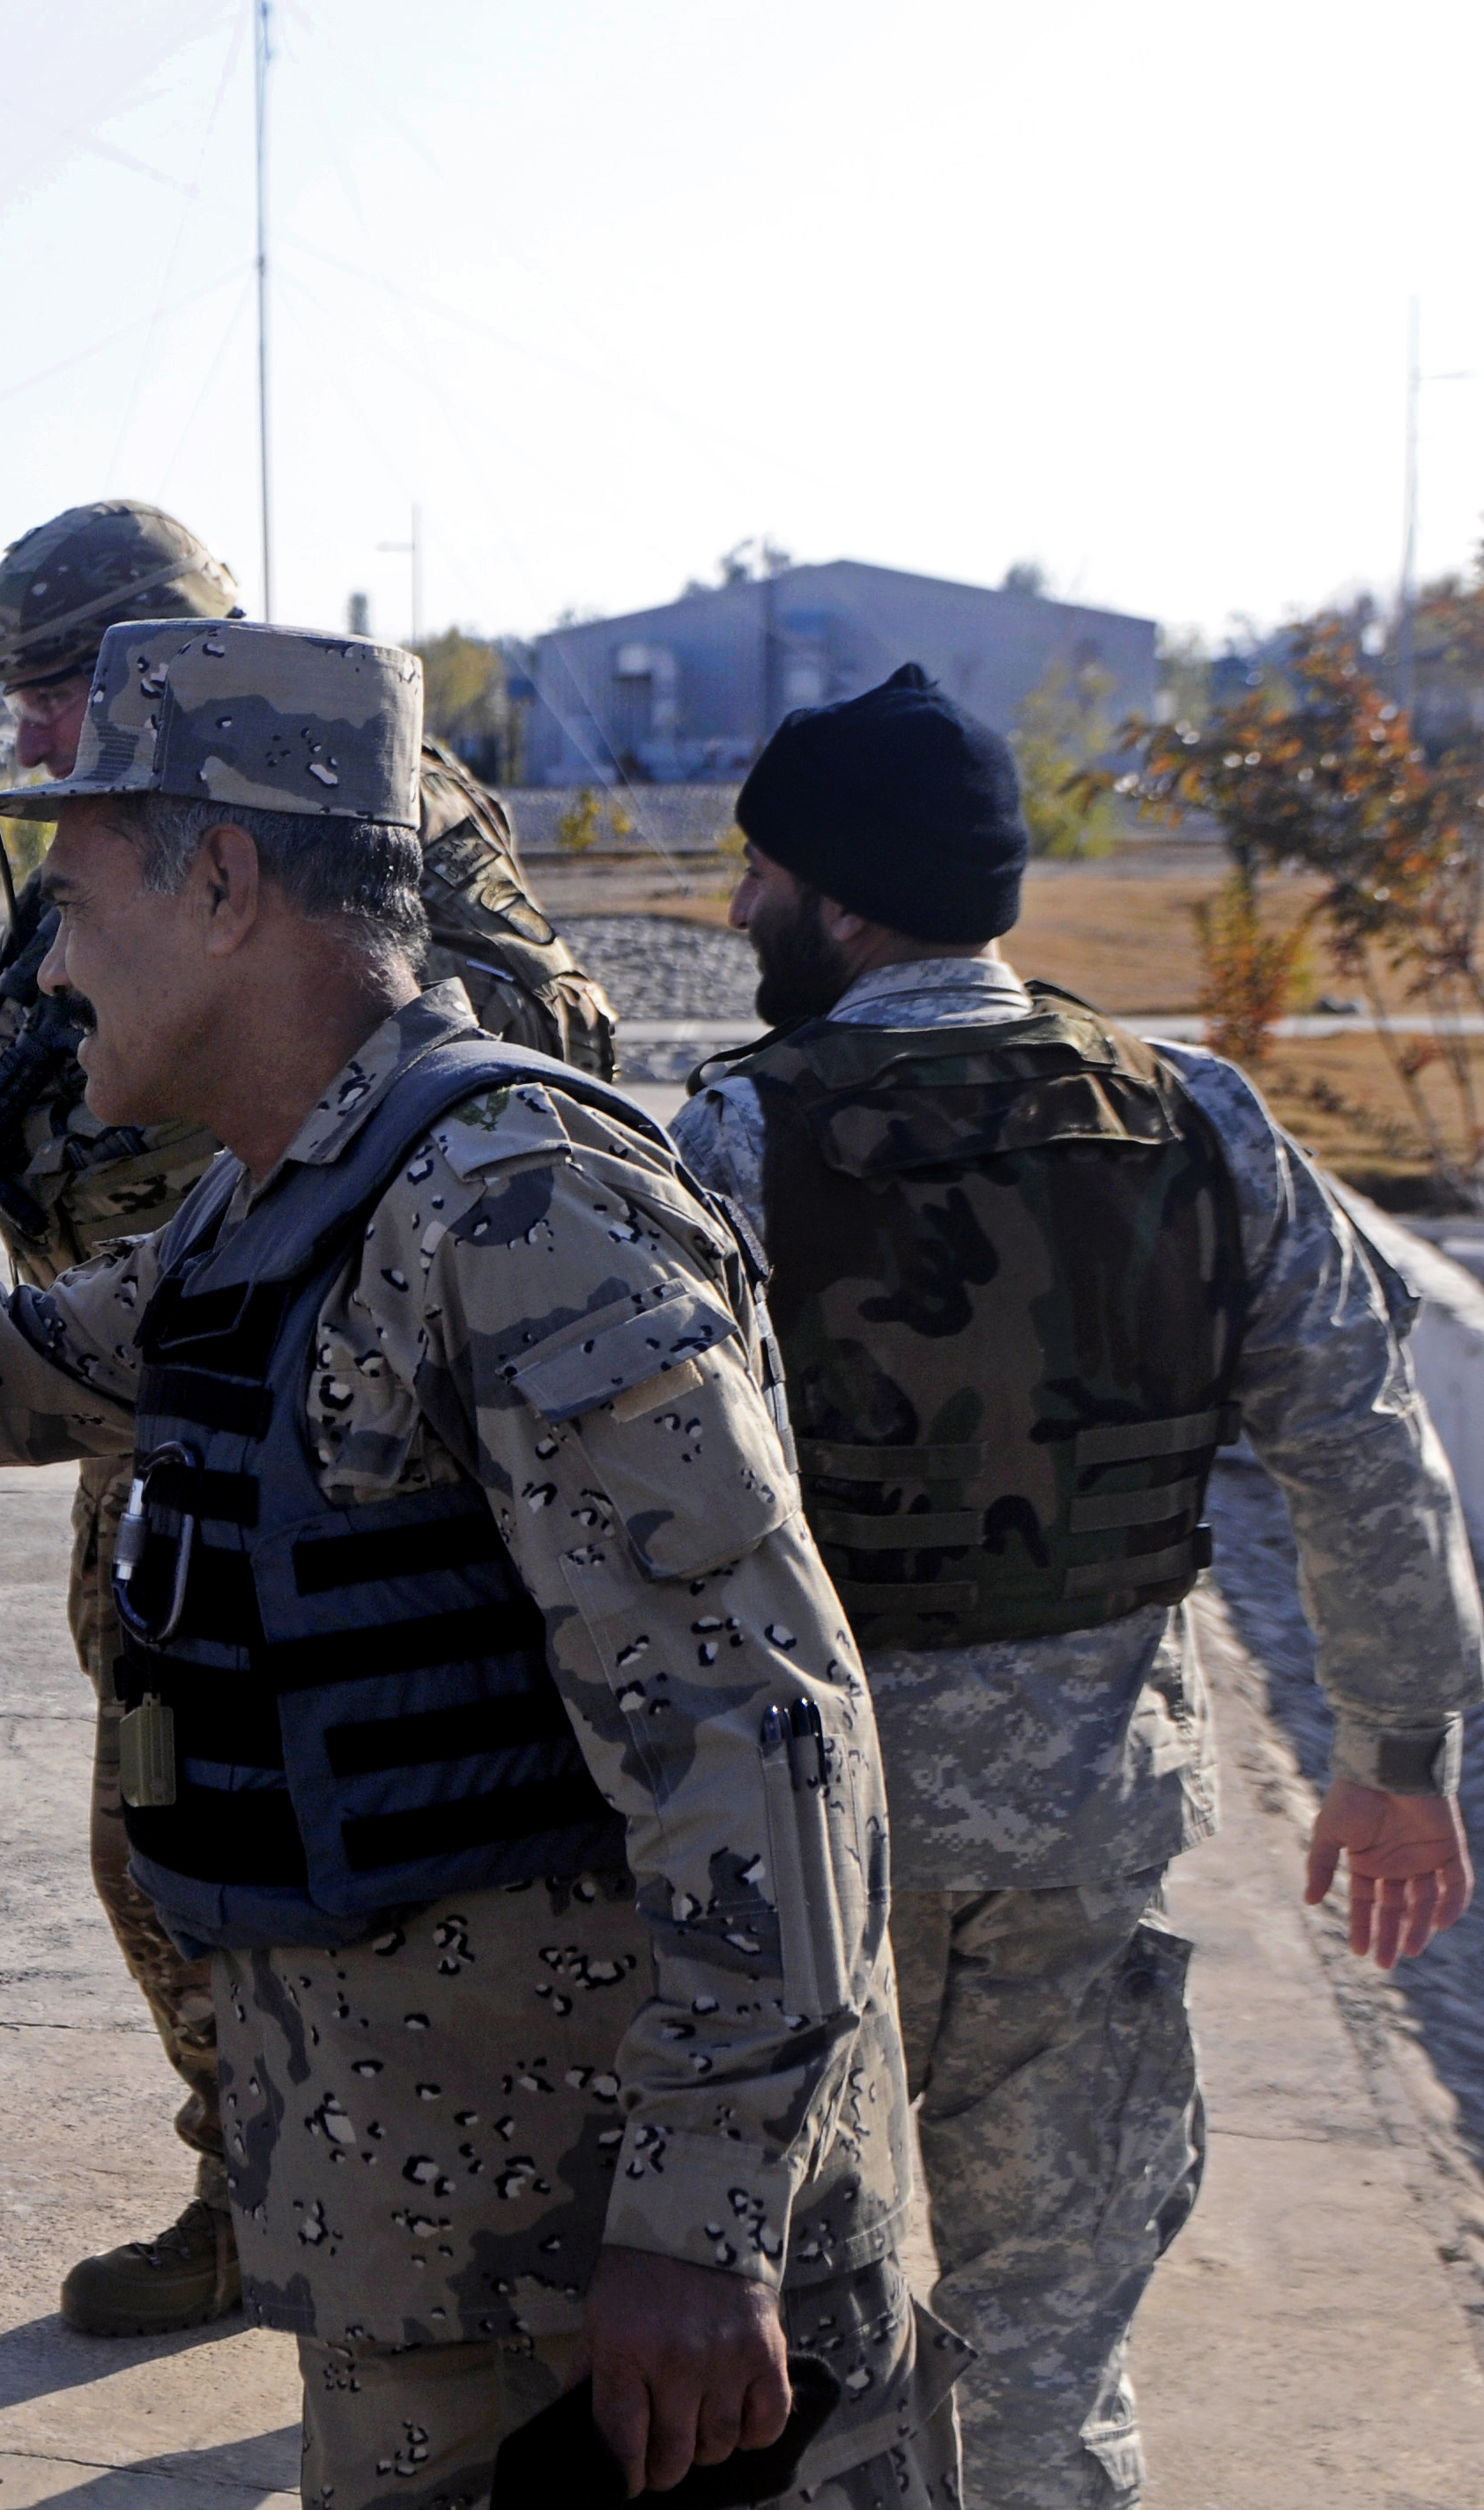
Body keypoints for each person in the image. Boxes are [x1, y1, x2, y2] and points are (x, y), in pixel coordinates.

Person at [0, 617, 949, 2510]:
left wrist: (706, 2223)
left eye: (78, 890)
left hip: (631, 2298)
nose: (52, 953)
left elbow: (769, 1731)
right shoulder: (274, 1206)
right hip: (436, 2259)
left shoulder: (521, 1206)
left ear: (227, 880)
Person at [0, 501, 620, 2339]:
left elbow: (541, 1044)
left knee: (403, 1832)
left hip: (368, 1415)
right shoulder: (72, 890)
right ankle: (250, 2180)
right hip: (138, 1417)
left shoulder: (382, 813)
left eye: (56, 689)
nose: (22, 736)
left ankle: (437, 2212)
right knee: (164, 1836)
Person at [673, 663, 1482, 2510]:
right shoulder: (1197, 1117)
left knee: (813, 2329)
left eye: (762, 872)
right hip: (1085, 1820)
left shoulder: (733, 1137)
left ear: (849, 897)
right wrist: (1400, 1744)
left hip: (816, 1850)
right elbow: (1361, 1443)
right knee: (1047, 2327)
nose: (737, 906)